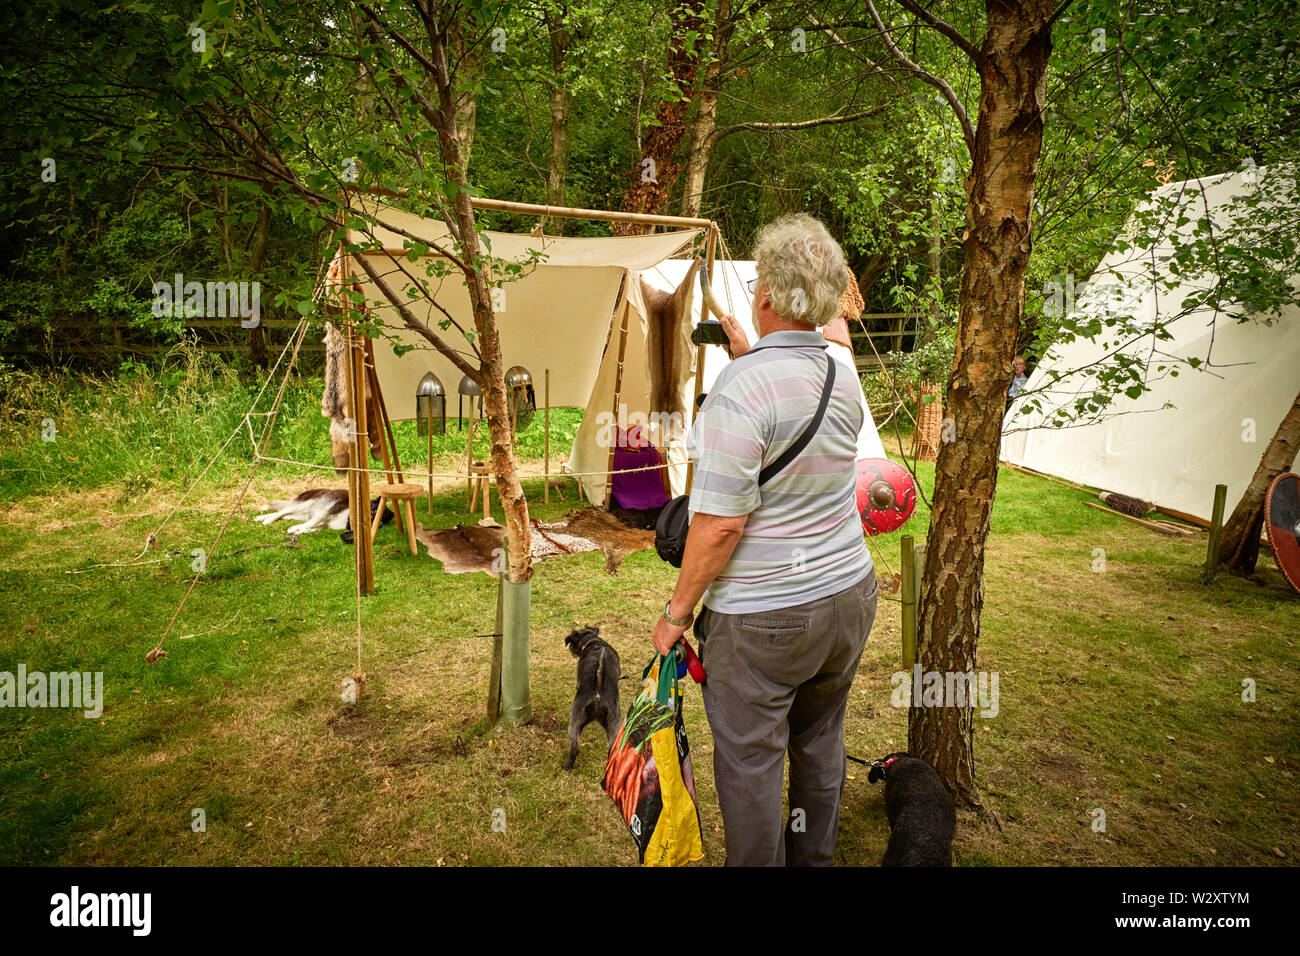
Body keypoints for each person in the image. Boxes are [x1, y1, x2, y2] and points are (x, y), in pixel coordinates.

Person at [649, 213, 878, 866]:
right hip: (849, 599)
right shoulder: (841, 377)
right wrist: (749, 356)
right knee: (819, 742)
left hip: (763, 621)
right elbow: (791, 407)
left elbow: (720, 525)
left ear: (769, 295)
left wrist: (675, 616)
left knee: (750, 765)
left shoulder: (740, 390)